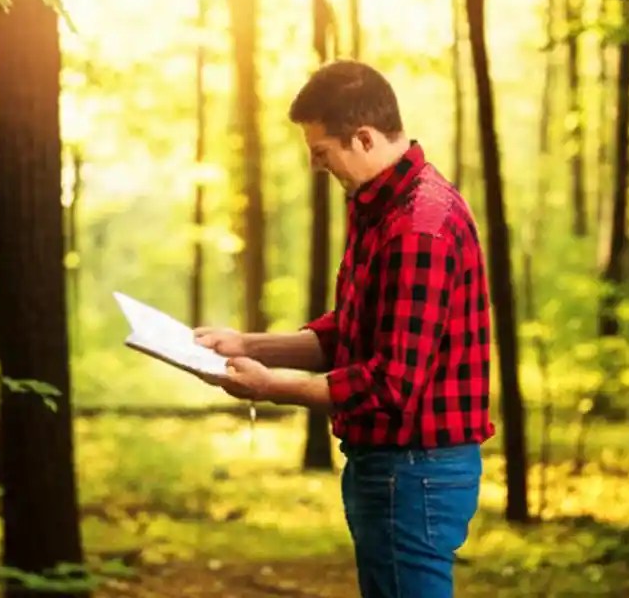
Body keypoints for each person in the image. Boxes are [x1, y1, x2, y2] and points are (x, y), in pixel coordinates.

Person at [193, 59, 495, 598]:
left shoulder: (418, 228)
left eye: (321, 153)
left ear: (363, 138)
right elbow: (352, 331)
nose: (317, 167)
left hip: (415, 470)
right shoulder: (380, 208)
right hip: (394, 467)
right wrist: (247, 344)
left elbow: (390, 384)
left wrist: (270, 388)